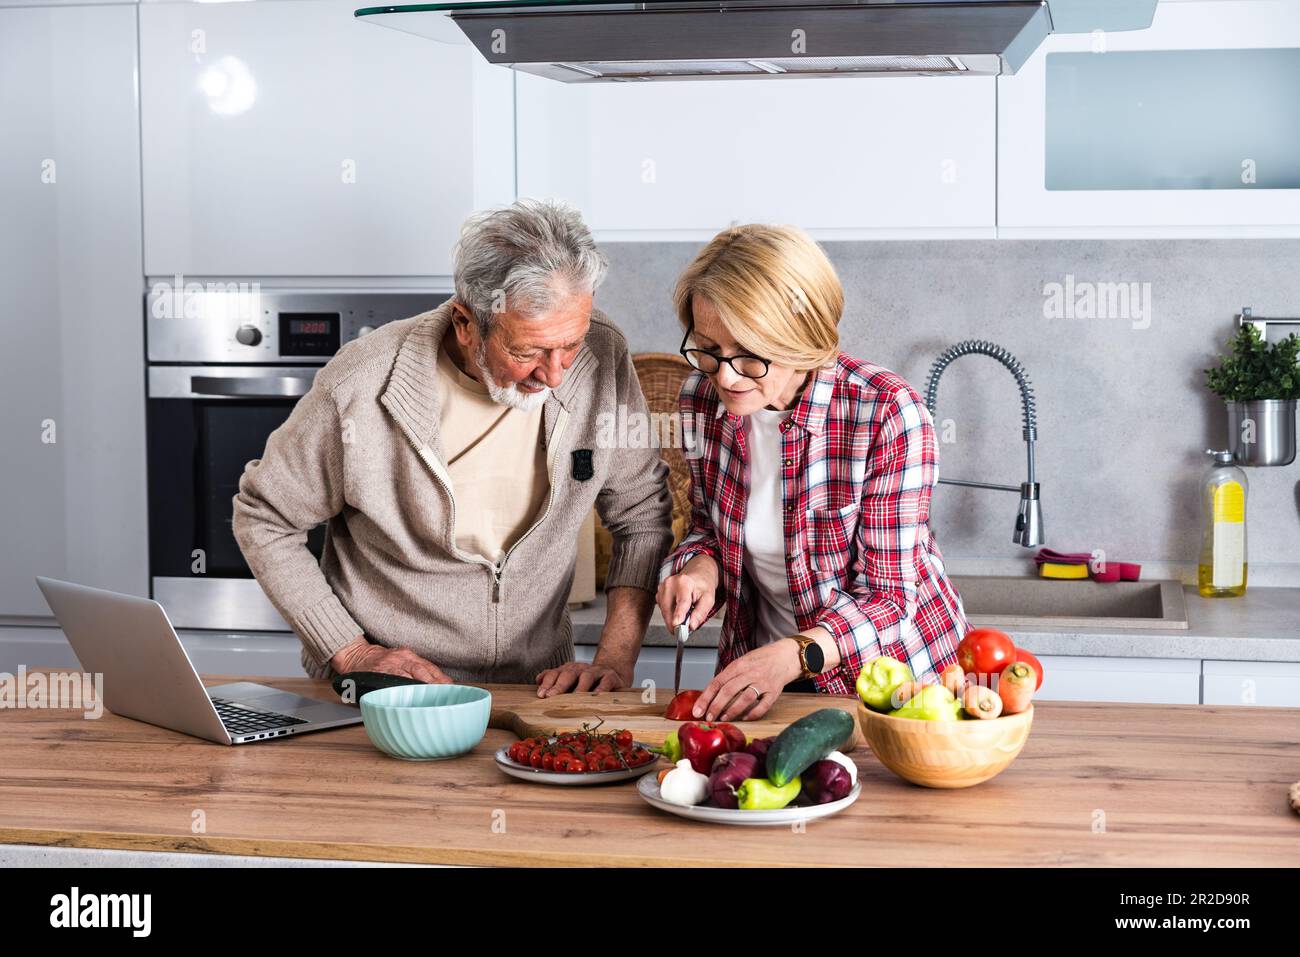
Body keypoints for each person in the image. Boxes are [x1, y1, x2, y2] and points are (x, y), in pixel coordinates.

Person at [233, 199, 673, 695]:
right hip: (383, 691)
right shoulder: (361, 384)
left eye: (569, 344)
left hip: (537, 688)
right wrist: (352, 651)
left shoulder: (602, 355)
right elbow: (265, 515)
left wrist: (614, 659)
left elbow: (640, 514)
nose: (554, 375)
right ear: (466, 323)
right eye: (527, 351)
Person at [656, 224, 967, 721]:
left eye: (752, 354)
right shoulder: (700, 398)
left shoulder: (886, 412)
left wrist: (794, 656)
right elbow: (708, 529)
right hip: (763, 684)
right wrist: (699, 568)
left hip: (892, 692)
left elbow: (889, 599)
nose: (726, 376)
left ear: (803, 339)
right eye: (710, 350)